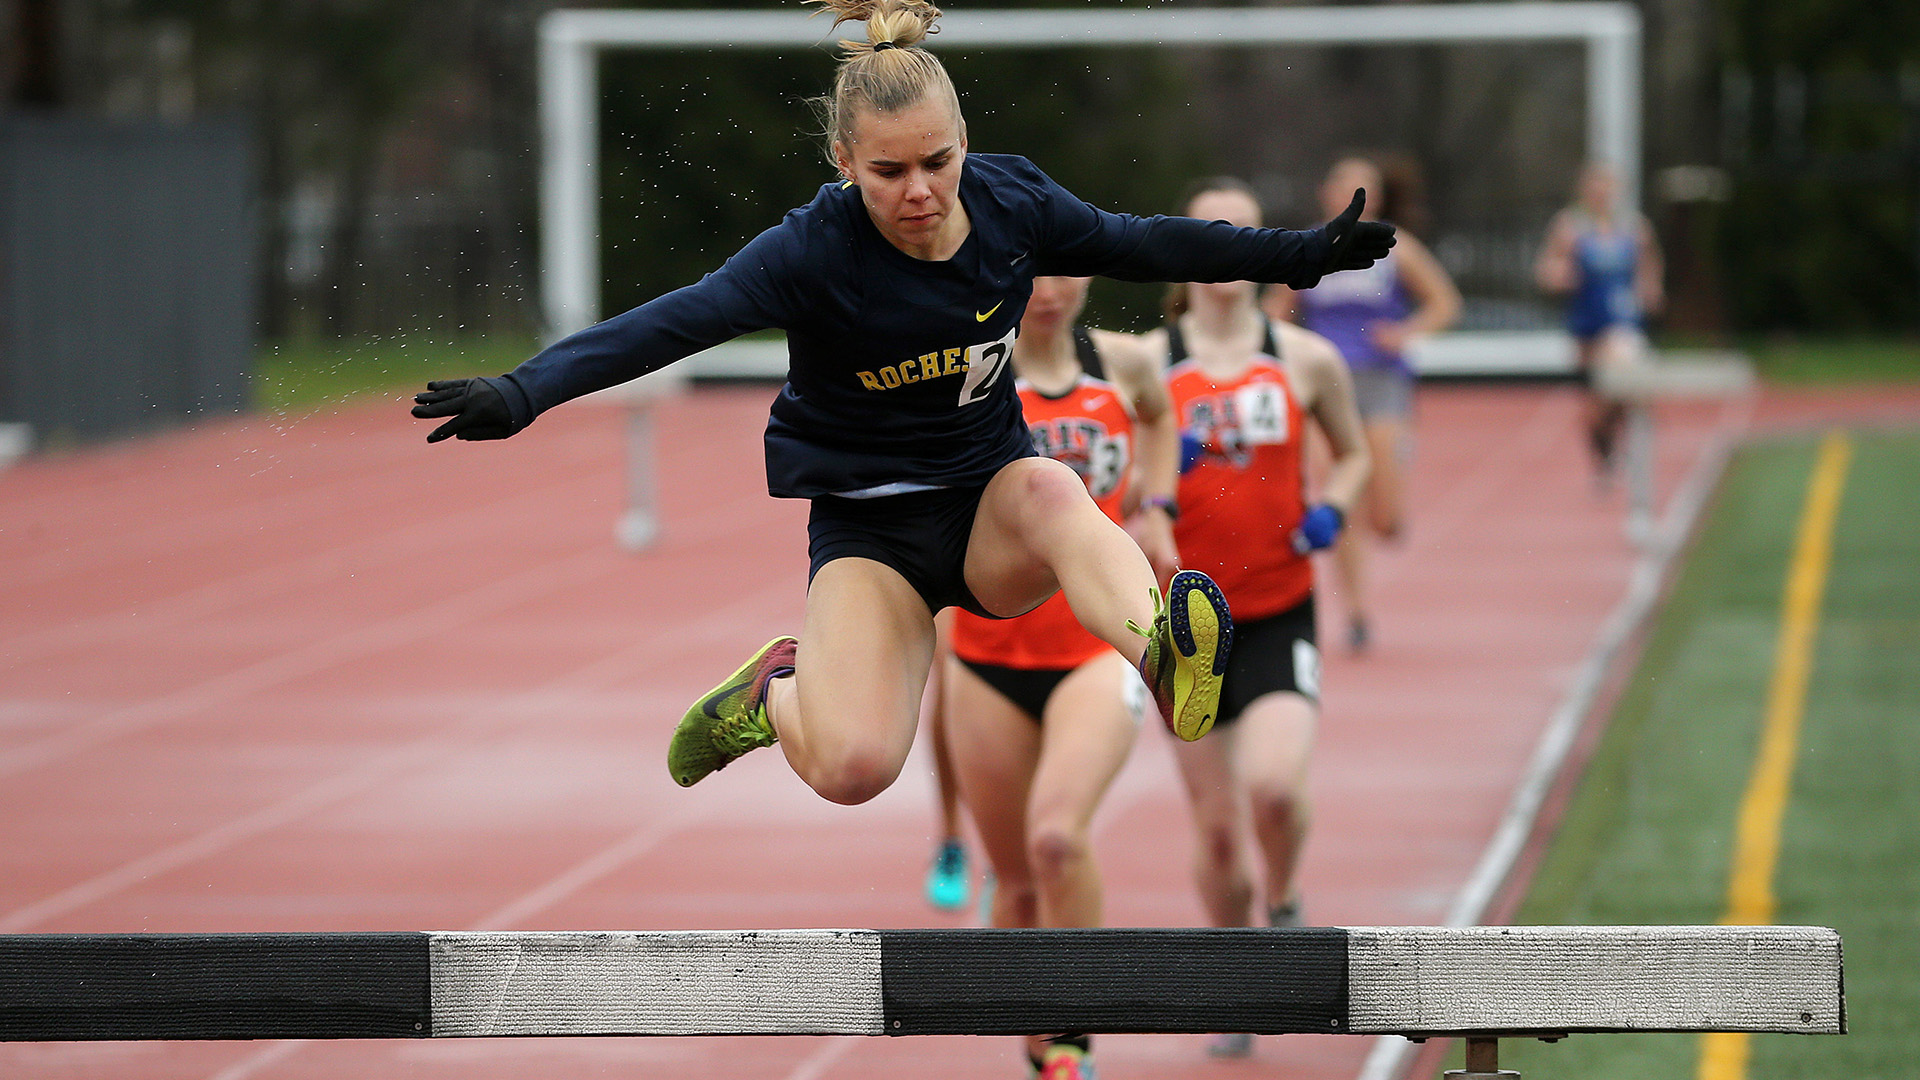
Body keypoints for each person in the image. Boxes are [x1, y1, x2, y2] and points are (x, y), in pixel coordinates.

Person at [410, 0, 1393, 813]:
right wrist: (524, 390)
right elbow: (674, 323)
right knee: (855, 771)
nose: (919, 192)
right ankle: (774, 691)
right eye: (888, 172)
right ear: (844, 162)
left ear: (965, 143)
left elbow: (1152, 243)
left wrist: (1301, 254)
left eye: (937, 163)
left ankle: (1165, 655)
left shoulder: (1014, 207)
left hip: (987, 504)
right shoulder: (811, 253)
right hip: (870, 532)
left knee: (1053, 486)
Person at [1149, 178, 1371, 1059]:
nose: (1223, 256)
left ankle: (1282, 901)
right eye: (1206, 236)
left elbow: (1351, 454)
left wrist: (1335, 511)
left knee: (1274, 789)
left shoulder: (1305, 359)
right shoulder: (1147, 365)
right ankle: (1237, 978)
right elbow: (1123, 477)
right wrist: (1148, 514)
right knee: (1211, 826)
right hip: (1185, 625)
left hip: (1279, 607)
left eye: (1239, 236)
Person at [943, 275, 1178, 1080]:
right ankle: (1041, 1052)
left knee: (1055, 837)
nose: (1048, 291)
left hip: (1089, 653)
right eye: (1029, 274)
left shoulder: (1126, 363)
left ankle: (1075, 1038)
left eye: (1063, 270)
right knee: (1012, 886)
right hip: (985, 658)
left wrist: (1159, 505)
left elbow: (1157, 416)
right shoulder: (970, 376)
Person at [1265, 156, 1459, 653]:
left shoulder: (1396, 248)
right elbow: (1275, 314)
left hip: (1381, 383)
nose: (1353, 195)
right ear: (1326, 193)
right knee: (1339, 494)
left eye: (1364, 187)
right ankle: (1357, 612)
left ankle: (1389, 518)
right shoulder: (1308, 248)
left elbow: (1444, 301)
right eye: (1343, 186)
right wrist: (1285, 349)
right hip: (1327, 386)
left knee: (1386, 519)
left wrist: (1407, 332)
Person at [1533, 161, 1665, 483]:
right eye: (1595, 186)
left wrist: (1650, 289)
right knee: (1595, 403)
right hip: (1586, 323)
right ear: (1584, 190)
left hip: (1623, 322)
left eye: (1607, 186)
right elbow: (1546, 270)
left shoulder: (1635, 228)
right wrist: (1561, 276)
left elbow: (1650, 267)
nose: (1601, 193)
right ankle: (1604, 453)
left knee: (1619, 386)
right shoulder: (1570, 227)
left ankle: (1624, 442)